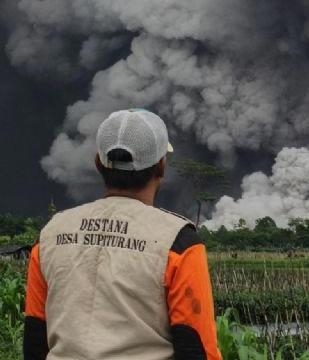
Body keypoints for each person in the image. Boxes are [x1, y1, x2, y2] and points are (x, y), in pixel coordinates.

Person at [24, 108, 223, 360]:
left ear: (98, 163)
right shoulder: (178, 243)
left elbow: (34, 337)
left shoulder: (50, 235)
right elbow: (196, 348)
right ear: (161, 166)